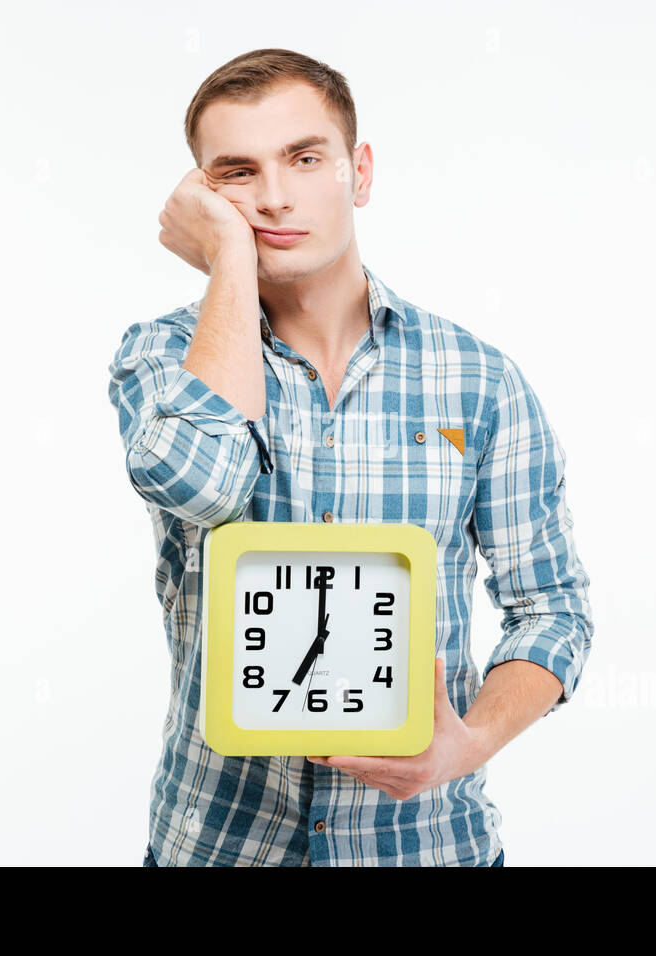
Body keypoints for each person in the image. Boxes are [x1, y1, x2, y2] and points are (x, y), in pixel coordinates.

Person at [107, 48, 594, 866]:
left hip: (428, 848)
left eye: (304, 158)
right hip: (221, 847)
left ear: (358, 172)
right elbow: (209, 482)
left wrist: (466, 745)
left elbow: (554, 610)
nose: (272, 197)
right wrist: (233, 260)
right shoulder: (159, 359)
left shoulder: (479, 381)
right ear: (201, 197)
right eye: (235, 174)